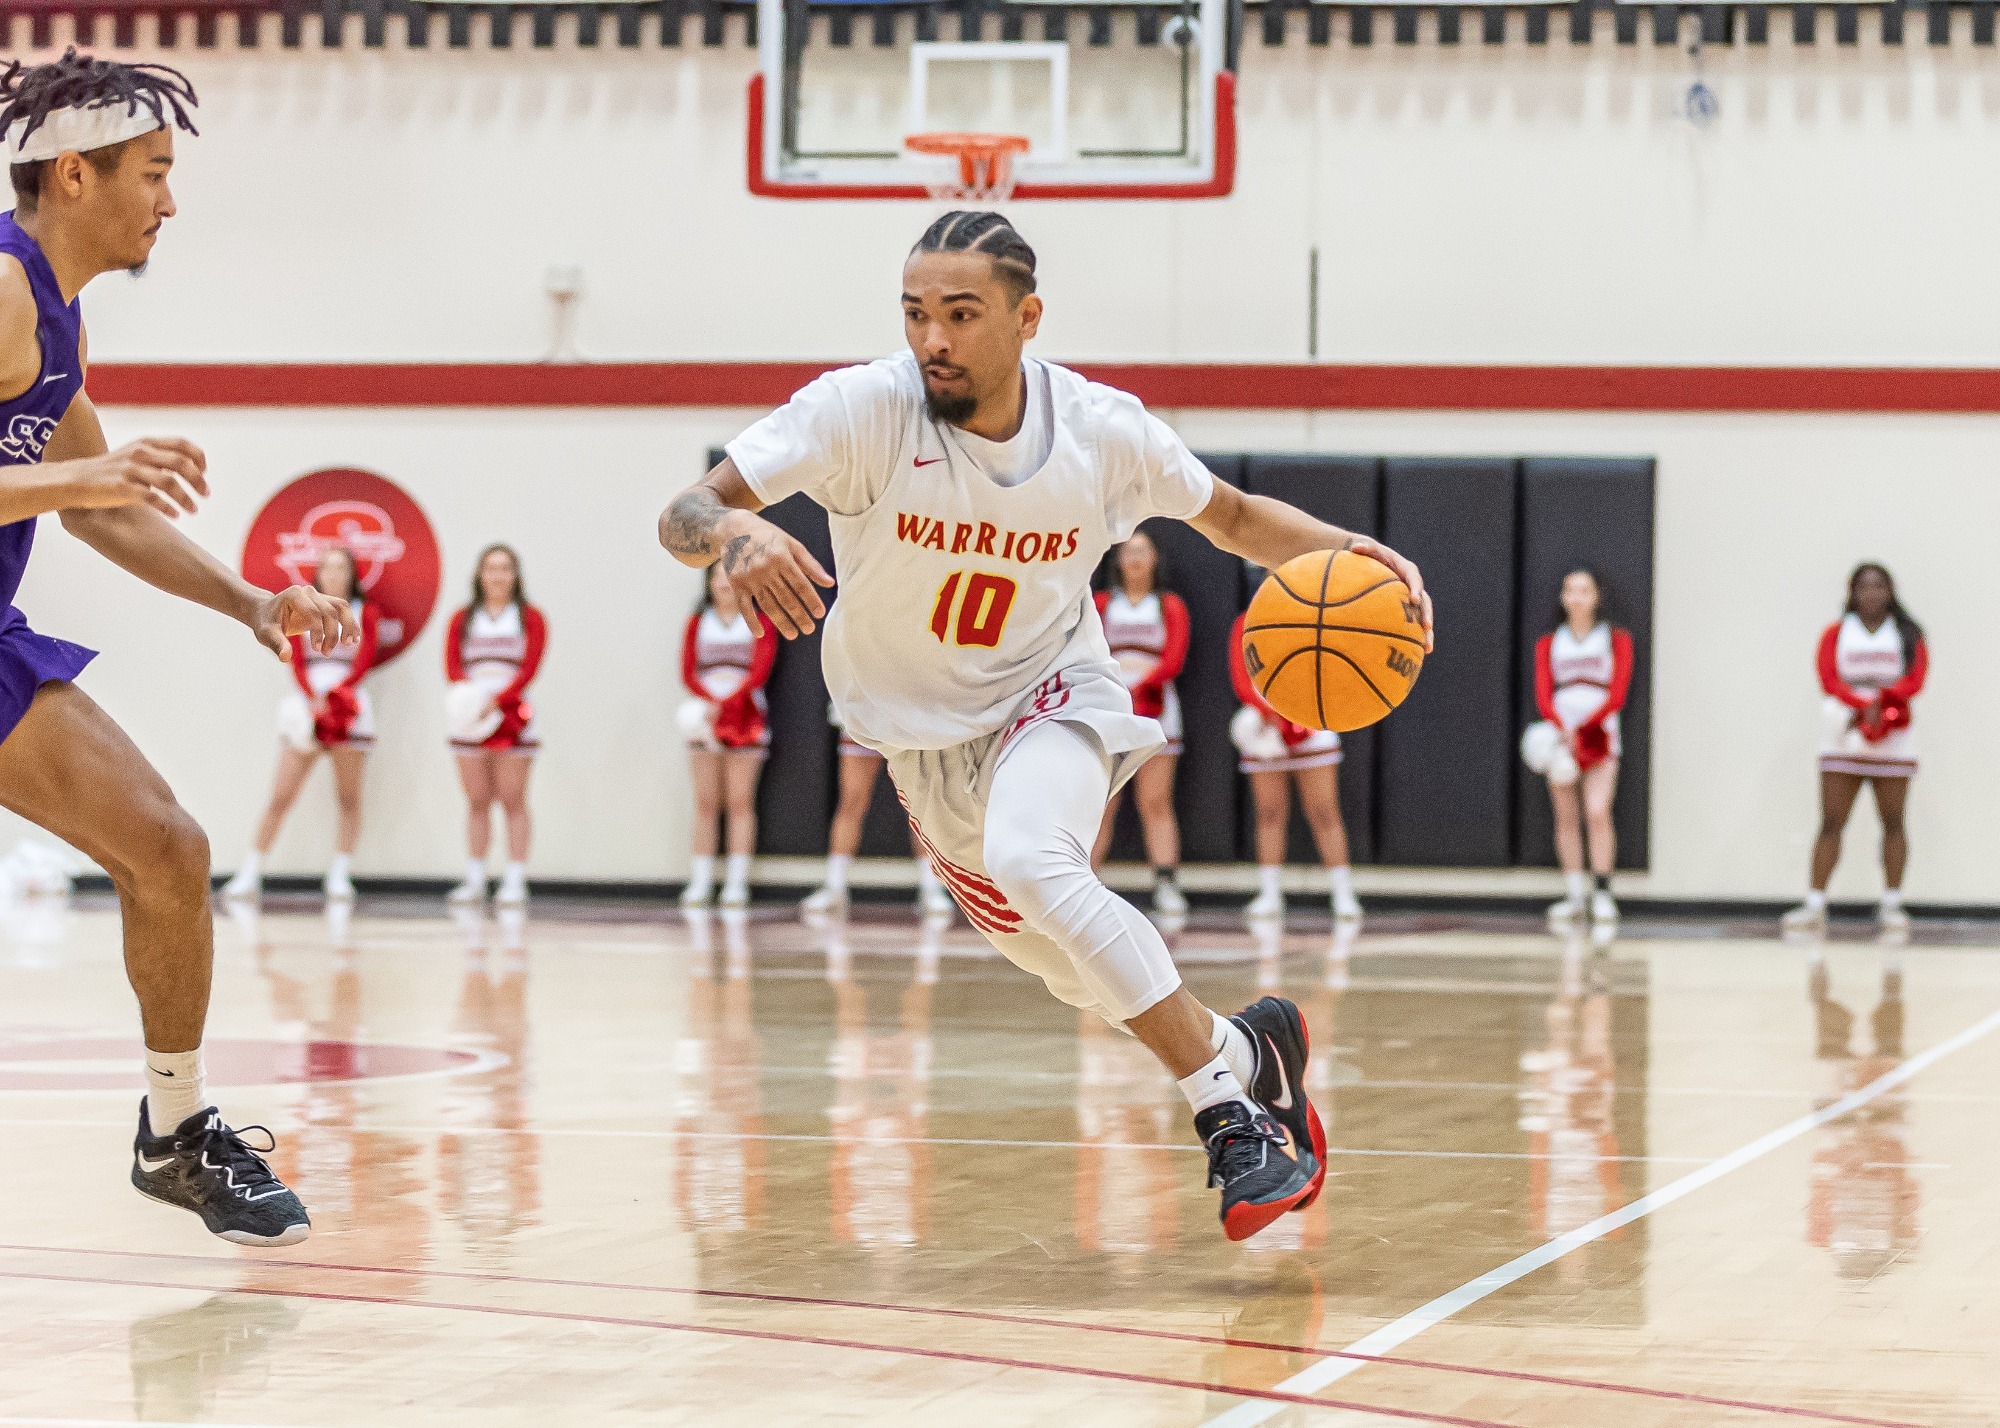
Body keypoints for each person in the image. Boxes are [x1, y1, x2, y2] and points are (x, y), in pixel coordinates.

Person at [659, 210, 1433, 1241]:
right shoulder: (859, 409)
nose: (931, 338)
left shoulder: (1101, 431)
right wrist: (733, 529)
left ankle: (1224, 1118)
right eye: (915, 313)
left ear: (1026, 319)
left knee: (1034, 858)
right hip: (920, 749)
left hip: (1051, 692)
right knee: (1069, 965)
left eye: (960, 314)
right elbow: (682, 514)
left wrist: (1358, 548)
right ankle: (1249, 1052)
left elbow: (1235, 518)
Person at [0, 51, 354, 1243]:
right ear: (73, 173)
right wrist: (82, 469)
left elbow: (96, 508)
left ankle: (174, 1132)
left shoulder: (54, 314)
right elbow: (83, 481)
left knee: (164, 849)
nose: (168, 199)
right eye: (151, 172)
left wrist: (251, 602)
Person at [223, 546, 380, 904]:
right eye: (327, 567)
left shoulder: (365, 612)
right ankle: (251, 871)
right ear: (318, 573)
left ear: (352, 574)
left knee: (348, 796)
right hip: (307, 705)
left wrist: (339, 694)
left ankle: (340, 873)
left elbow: (366, 658)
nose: (334, 574)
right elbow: (294, 659)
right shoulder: (304, 610)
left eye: (342, 568)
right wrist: (314, 697)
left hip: (350, 705)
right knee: (281, 795)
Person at [1782, 564, 1928, 936]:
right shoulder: (1836, 633)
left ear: (1891, 591)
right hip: (1842, 730)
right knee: (1831, 820)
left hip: (1892, 730)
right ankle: (1815, 904)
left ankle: (1892, 905)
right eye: (1864, 586)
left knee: (1893, 821)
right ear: (1852, 591)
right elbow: (1828, 677)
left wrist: (1884, 699)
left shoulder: (1908, 633)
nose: (1872, 593)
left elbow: (1915, 679)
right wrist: (1860, 704)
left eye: (1879, 586)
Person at [1228, 603, 1362, 923]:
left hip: (1312, 718)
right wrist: (1271, 715)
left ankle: (1343, 893)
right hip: (1265, 726)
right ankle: (1270, 894)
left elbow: (1330, 667)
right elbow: (1241, 675)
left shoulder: (1317, 615)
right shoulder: (1246, 621)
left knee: (1324, 810)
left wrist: (1301, 712)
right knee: (1269, 812)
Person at [1090, 530, 1190, 915]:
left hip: (1157, 709)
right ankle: (1085, 881)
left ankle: (1166, 884)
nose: (1134, 557)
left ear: (1154, 559)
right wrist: (1119, 690)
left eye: (1143, 550)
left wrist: (1144, 685)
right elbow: (1088, 653)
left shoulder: (1169, 605)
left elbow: (1175, 657)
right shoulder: (1100, 603)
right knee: (1102, 802)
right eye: (1128, 551)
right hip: (1110, 710)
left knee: (1156, 801)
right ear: (1116, 559)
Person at [445, 543, 546, 907]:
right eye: (491, 568)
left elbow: (529, 667)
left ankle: (515, 879)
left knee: (513, 798)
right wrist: (473, 703)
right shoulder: (462, 618)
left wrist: (498, 701)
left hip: (512, 713)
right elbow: (453, 667)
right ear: (479, 574)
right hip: (471, 717)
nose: (498, 575)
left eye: (505, 568)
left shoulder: (529, 617)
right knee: (476, 800)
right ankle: (475, 879)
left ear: (515, 575)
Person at [1531, 568, 1633, 928]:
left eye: (1584, 590)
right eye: (1569, 590)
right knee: (1566, 817)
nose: (1576, 597)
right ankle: (1575, 896)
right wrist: (1563, 729)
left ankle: (1602, 892)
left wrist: (1586, 727)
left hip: (1600, 732)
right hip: (1562, 735)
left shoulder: (1615, 638)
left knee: (1597, 811)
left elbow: (1618, 692)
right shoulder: (1548, 643)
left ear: (1596, 596)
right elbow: (1544, 695)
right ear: (1562, 597)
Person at [678, 563, 777, 908]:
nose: (722, 581)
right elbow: (687, 670)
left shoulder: (759, 622)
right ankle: (701, 881)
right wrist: (709, 703)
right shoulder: (697, 622)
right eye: (716, 575)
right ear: (707, 582)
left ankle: (737, 883)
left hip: (745, 717)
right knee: (705, 803)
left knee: (740, 802)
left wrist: (728, 703)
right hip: (704, 718)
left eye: (729, 574)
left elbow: (759, 671)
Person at [800, 719, 954, 918]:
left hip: (907, 719)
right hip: (865, 719)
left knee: (919, 805)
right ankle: (835, 887)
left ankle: (932, 888)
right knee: (851, 802)